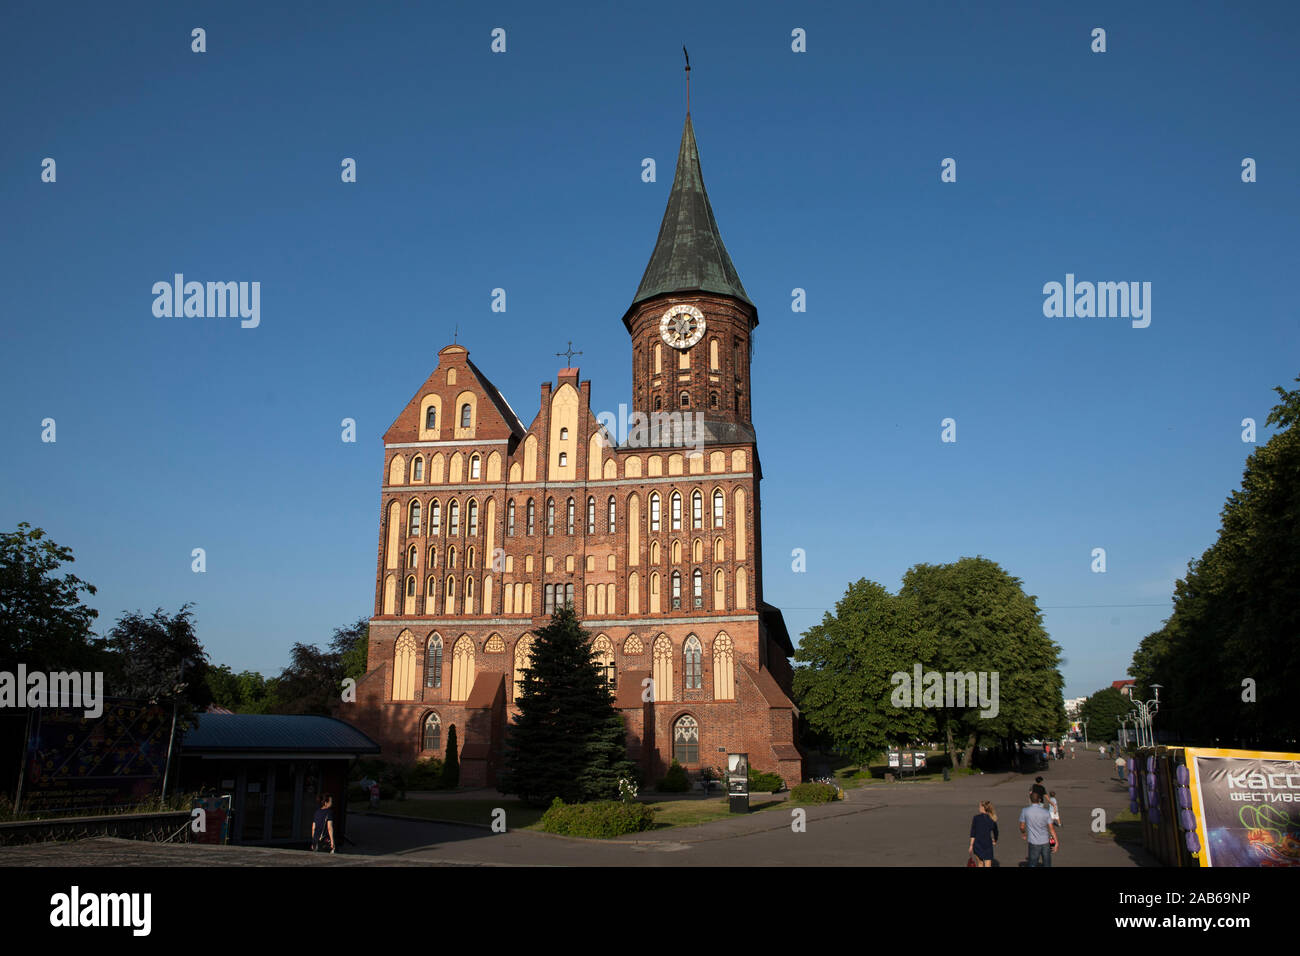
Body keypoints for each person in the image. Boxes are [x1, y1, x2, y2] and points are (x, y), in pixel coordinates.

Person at [1019, 792, 1058, 867]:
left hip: (1033, 842)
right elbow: (1051, 829)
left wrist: (1023, 833)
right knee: (1047, 863)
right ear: (1039, 800)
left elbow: (1022, 827)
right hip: (1045, 842)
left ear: (1030, 799)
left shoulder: (1025, 811)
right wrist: (1056, 842)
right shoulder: (1046, 812)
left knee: (1032, 864)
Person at [968, 800, 998, 867]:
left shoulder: (976, 818)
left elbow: (973, 833)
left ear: (983, 808)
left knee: (980, 863)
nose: (979, 808)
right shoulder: (992, 818)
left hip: (977, 844)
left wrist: (971, 845)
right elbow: (996, 831)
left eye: (980, 806)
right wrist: (995, 840)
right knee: (988, 865)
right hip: (988, 844)